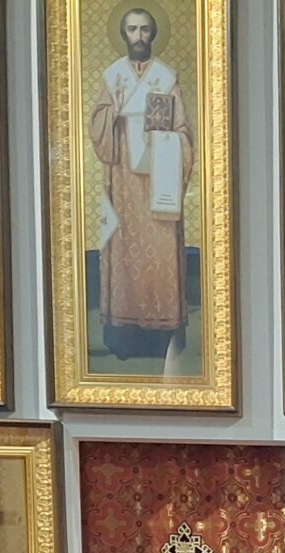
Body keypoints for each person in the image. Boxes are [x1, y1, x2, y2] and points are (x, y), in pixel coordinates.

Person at [89, 7, 192, 368]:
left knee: (160, 252)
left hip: (157, 181)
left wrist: (167, 144)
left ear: (153, 34)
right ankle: (125, 336)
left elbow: (183, 133)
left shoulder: (166, 79)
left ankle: (162, 335)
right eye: (132, 29)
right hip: (122, 182)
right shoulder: (113, 77)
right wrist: (112, 113)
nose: (138, 36)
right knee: (123, 252)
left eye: (145, 30)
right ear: (123, 33)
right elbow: (98, 129)